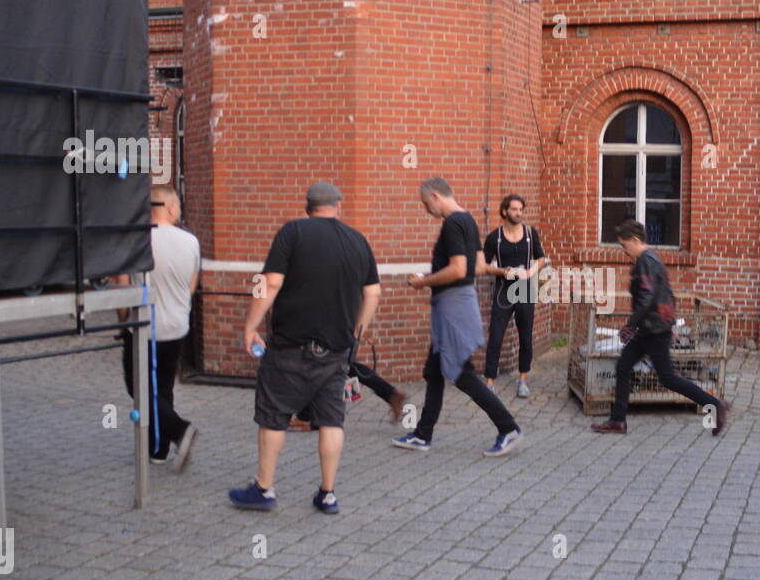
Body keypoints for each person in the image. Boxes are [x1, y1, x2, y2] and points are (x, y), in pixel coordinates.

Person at [229, 182, 380, 513]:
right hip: (337, 350)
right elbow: (373, 293)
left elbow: (271, 283)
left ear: (307, 207)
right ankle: (327, 494)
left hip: (289, 348)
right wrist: (358, 330)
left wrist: (251, 326)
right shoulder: (357, 240)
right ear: (338, 206)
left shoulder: (292, 232)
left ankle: (264, 489)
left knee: (274, 416)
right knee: (331, 421)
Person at [392, 177, 523, 456]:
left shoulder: (452, 223)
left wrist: (423, 281)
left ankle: (508, 428)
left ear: (436, 196)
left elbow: (458, 269)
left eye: (427, 204)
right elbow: (478, 267)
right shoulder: (468, 220)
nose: (427, 210)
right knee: (434, 371)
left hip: (452, 307)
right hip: (459, 304)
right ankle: (422, 434)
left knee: (462, 374)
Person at [591, 219, 728, 436]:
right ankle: (618, 421)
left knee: (667, 378)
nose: (624, 251)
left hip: (653, 329)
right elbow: (667, 295)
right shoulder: (651, 260)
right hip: (650, 328)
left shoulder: (646, 261)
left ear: (635, 240)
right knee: (623, 367)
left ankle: (714, 404)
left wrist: (631, 325)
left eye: (625, 246)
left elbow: (647, 298)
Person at [115, 184, 201, 470]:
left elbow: (122, 284)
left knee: (138, 387)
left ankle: (179, 430)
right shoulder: (191, 242)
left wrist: (123, 319)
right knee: (162, 387)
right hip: (177, 326)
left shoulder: (135, 240)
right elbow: (191, 285)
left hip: (144, 327)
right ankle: (158, 449)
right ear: (171, 208)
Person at [481, 194, 546, 397]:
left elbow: (541, 258)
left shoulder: (529, 233)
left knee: (525, 336)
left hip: (525, 289)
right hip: (503, 290)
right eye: (514, 209)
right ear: (505, 211)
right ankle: (490, 381)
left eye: (520, 209)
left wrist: (530, 273)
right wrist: (501, 271)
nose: (518, 213)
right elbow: (482, 266)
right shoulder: (495, 237)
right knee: (496, 336)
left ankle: (523, 380)